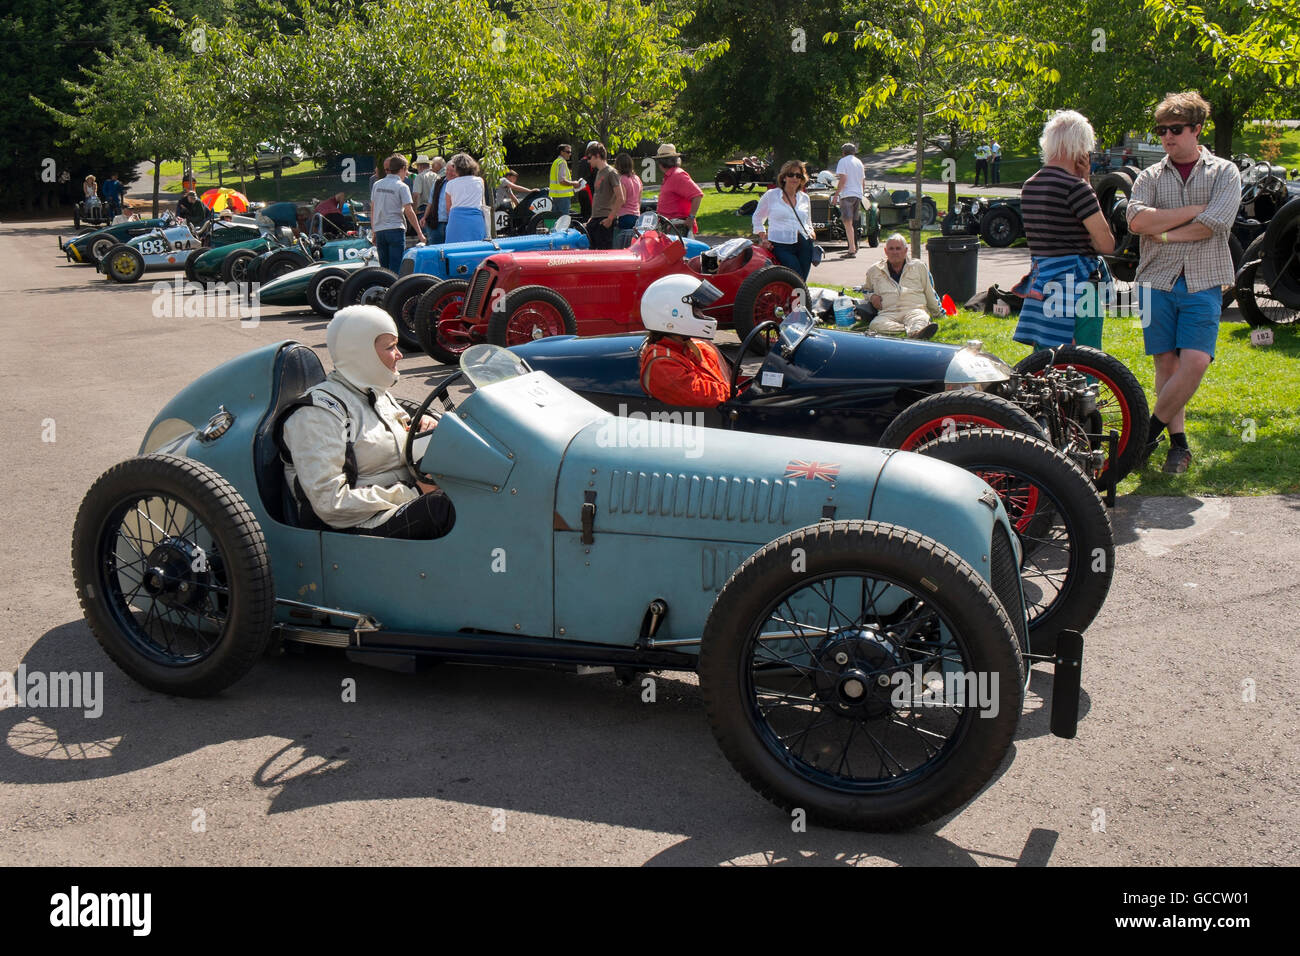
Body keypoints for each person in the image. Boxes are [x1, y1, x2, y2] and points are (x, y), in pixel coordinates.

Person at [1125, 91, 1241, 474]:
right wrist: (1192, 212)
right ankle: (1178, 445)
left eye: (1175, 129)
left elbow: (1217, 223)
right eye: (1161, 130)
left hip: (1204, 280)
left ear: (1197, 129)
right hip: (1155, 279)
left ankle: (1145, 434)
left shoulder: (1224, 172)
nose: (1167, 137)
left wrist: (1168, 231)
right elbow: (1137, 222)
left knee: (1194, 362)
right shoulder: (1149, 176)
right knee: (1166, 363)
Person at [278, 306, 455, 538]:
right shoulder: (317, 414)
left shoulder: (376, 395)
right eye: (391, 347)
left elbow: (397, 444)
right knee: (447, 508)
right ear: (361, 353)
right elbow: (330, 504)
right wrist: (412, 492)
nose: (400, 354)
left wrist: (424, 426)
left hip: (398, 504)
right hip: (349, 526)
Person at [1012, 110, 1115, 352]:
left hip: (1043, 283)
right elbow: (1106, 244)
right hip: (1080, 289)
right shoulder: (1077, 188)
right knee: (1087, 364)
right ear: (1080, 146)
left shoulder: (1030, 186)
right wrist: (1087, 183)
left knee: (1045, 363)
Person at [637, 275, 731, 407]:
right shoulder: (662, 364)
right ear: (675, 313)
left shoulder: (699, 347)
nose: (702, 316)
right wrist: (737, 393)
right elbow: (704, 396)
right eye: (696, 310)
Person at [859, 233, 943, 338]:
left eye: (898, 248)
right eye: (891, 249)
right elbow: (865, 290)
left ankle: (916, 330)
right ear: (886, 251)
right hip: (888, 313)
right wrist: (871, 296)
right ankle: (914, 331)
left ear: (905, 250)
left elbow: (930, 292)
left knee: (920, 318)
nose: (895, 252)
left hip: (914, 310)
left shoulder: (919, 266)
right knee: (875, 325)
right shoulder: (874, 270)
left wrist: (938, 313)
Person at [752, 160, 815, 281]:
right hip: (780, 244)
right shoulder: (771, 195)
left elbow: (808, 220)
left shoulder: (804, 198)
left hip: (804, 244)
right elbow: (757, 217)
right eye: (791, 174)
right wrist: (763, 237)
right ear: (784, 177)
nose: (794, 178)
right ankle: (795, 299)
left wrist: (811, 231)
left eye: (798, 175)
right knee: (795, 277)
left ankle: (797, 299)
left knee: (801, 281)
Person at [370, 154, 425, 272]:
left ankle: (385, 289)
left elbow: (373, 209)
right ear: (403, 169)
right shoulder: (402, 186)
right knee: (396, 268)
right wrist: (419, 233)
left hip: (380, 230)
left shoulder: (377, 184)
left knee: (384, 269)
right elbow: (409, 211)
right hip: (395, 229)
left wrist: (374, 231)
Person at [653, 143, 703, 234]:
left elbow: (697, 195)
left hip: (677, 226)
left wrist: (691, 217)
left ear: (661, 162)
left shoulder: (677, 175)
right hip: (669, 225)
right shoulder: (670, 175)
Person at [442, 152, 487, 244]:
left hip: (456, 220)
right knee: (477, 247)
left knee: (455, 248)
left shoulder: (450, 184)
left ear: (456, 168)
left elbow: (448, 208)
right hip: (475, 219)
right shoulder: (479, 181)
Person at [830, 143, 865, 258]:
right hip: (858, 194)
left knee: (847, 223)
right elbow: (862, 180)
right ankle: (853, 246)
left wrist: (836, 195)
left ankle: (851, 249)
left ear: (843, 152)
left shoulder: (843, 161)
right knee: (852, 223)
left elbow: (843, 178)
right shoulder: (859, 162)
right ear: (854, 152)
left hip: (848, 194)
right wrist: (862, 194)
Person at [586, 144, 623, 250]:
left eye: (590, 157)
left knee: (603, 253)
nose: (588, 161)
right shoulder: (599, 172)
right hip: (596, 218)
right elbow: (599, 196)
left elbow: (621, 197)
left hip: (605, 219)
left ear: (597, 155)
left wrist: (610, 218)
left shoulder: (611, 172)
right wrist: (593, 217)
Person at [613, 152, 642, 245]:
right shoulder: (637, 178)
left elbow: (622, 199)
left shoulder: (621, 179)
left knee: (622, 245)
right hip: (637, 216)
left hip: (624, 216)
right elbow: (639, 200)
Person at [423, 160, 453, 244]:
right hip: (436, 222)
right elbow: (430, 202)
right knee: (436, 249)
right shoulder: (439, 182)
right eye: (447, 170)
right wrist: (424, 217)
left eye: (452, 170)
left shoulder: (458, 183)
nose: (449, 173)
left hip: (451, 222)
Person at [548, 144, 580, 218]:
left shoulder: (556, 162)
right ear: (562, 152)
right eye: (568, 152)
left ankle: (553, 230)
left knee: (555, 218)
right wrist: (574, 183)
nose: (570, 154)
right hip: (563, 196)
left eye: (570, 152)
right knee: (563, 219)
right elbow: (562, 181)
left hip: (555, 195)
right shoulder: (562, 162)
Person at [573, 141, 598, 220]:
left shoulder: (583, 160)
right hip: (588, 190)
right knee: (589, 213)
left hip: (582, 189)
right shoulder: (588, 161)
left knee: (585, 212)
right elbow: (590, 177)